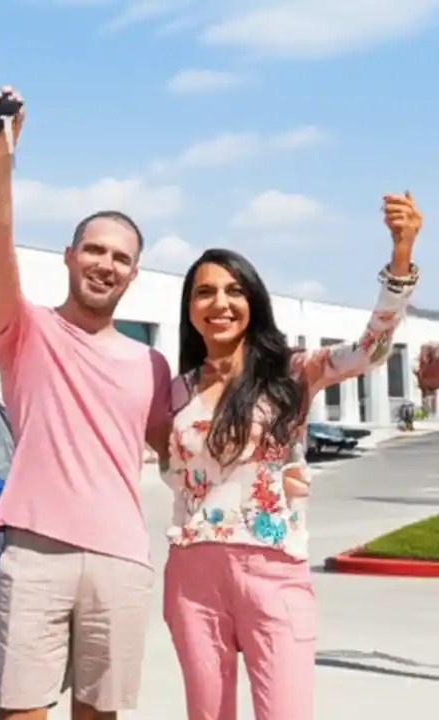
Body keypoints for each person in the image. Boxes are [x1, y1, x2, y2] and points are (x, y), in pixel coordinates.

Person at [160, 192, 423, 720]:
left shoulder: (293, 372)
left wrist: (400, 260)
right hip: (192, 577)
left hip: (273, 573)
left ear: (253, 302)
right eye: (205, 292)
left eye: (234, 290)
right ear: (190, 309)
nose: (221, 303)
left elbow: (371, 348)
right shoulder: (175, 391)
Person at [0, 86, 173, 720]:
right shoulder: (24, 332)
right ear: (68, 256)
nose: (106, 264)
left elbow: (184, 457)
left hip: (121, 559)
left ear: (133, 274)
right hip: (35, 555)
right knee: (21, 712)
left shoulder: (151, 363)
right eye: (94, 249)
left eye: (121, 257)